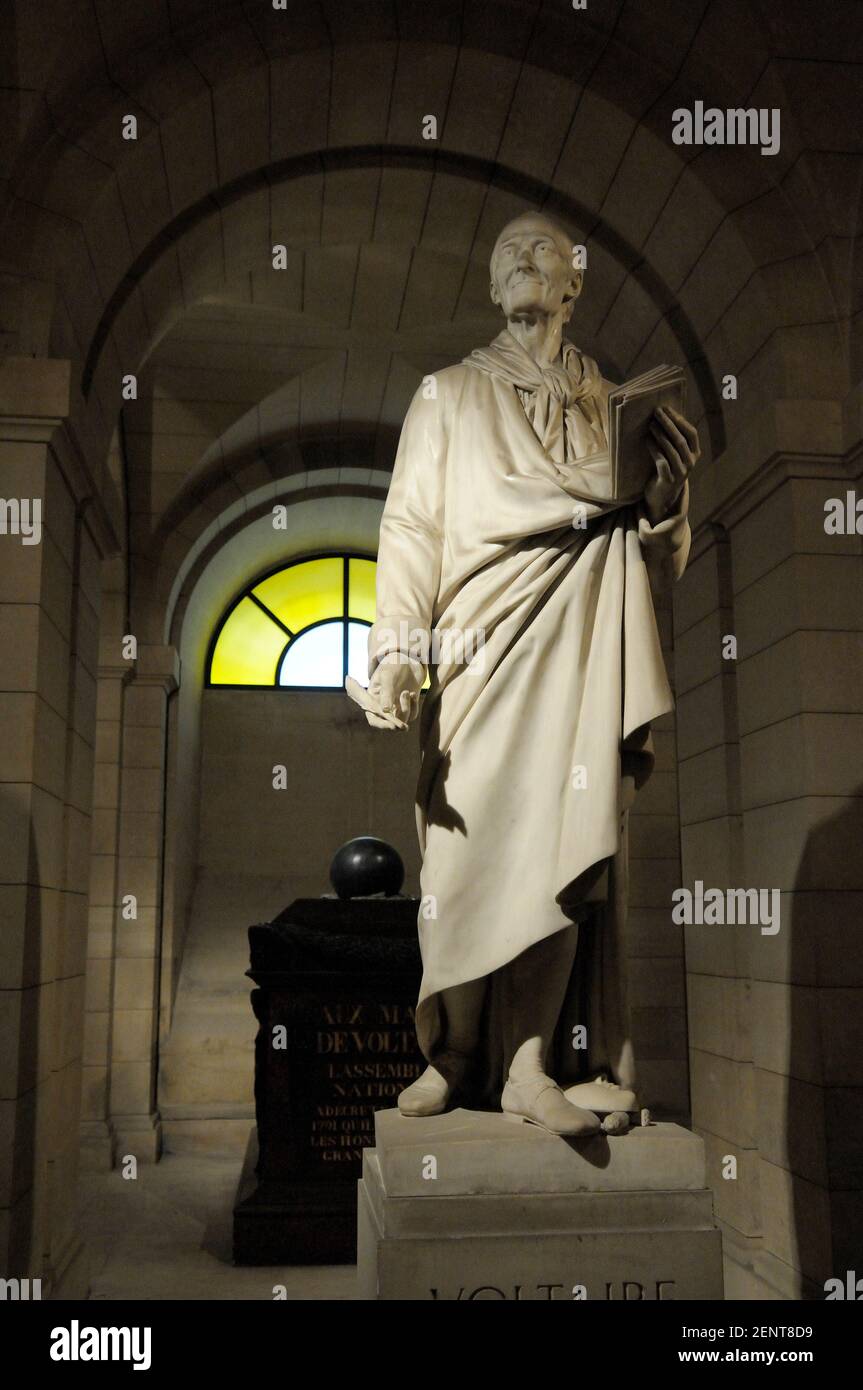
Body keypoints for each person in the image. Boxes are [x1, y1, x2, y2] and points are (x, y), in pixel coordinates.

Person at [347, 211, 699, 1135]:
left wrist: (663, 500)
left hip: (580, 637)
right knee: (464, 855)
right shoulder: (448, 394)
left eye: (541, 251)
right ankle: (455, 1054)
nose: (521, 262)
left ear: (574, 282)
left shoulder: (610, 402)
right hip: (475, 644)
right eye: (505, 253)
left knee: (562, 851)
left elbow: (655, 548)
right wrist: (394, 651)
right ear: (492, 285)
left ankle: (529, 1064)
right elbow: (412, 526)